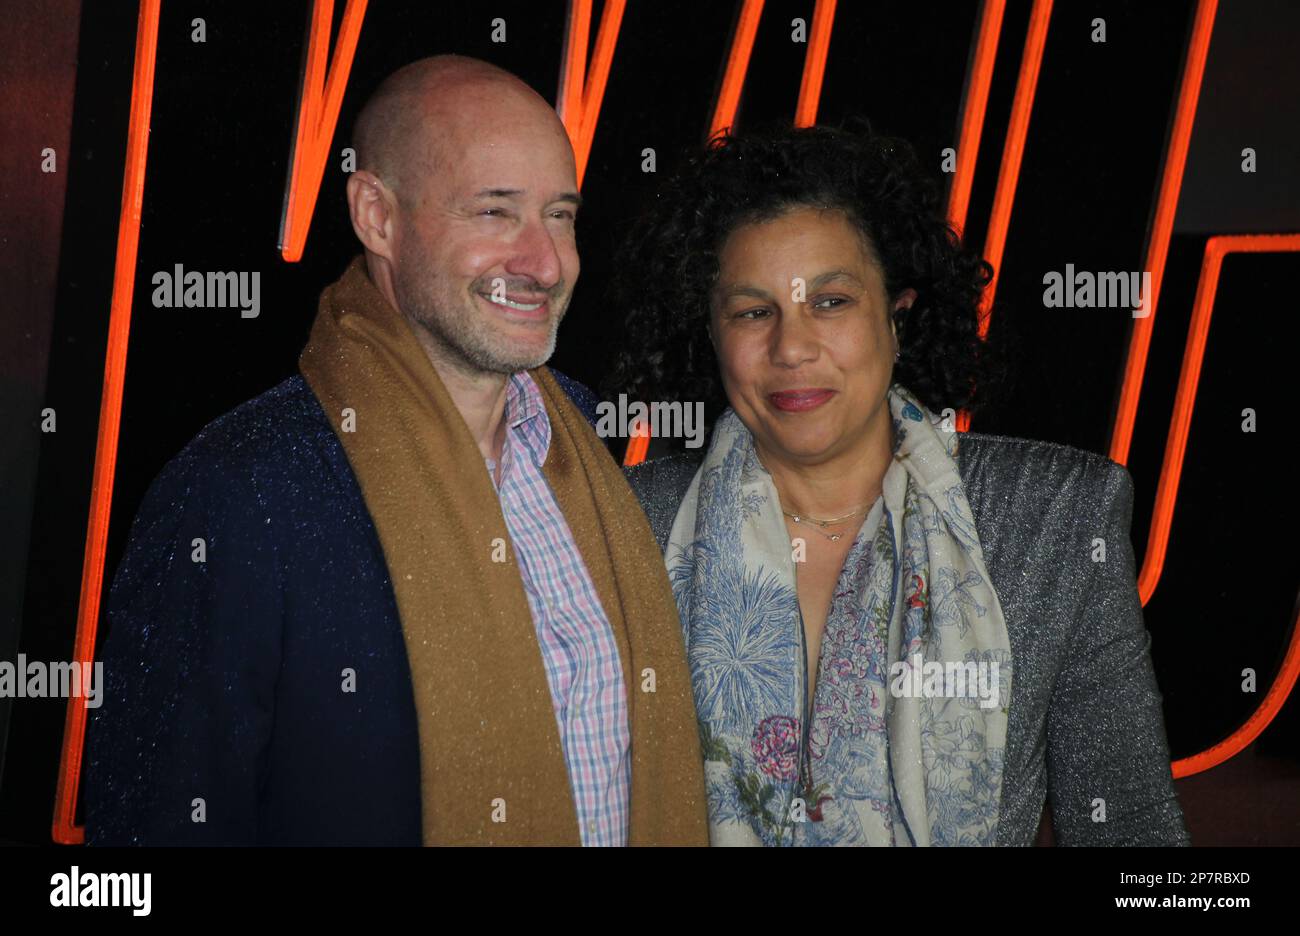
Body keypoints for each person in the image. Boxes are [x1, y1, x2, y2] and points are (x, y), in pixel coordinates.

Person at [85, 56, 707, 846]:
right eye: (494, 212)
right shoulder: (241, 492)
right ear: (376, 215)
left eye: (560, 215)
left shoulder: (584, 451)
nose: (544, 262)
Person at [610, 122, 1189, 846]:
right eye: (754, 312)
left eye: (830, 301)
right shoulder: (623, 523)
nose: (791, 348)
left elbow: (1131, 831)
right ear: (710, 333)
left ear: (899, 313)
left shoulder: (1055, 517)